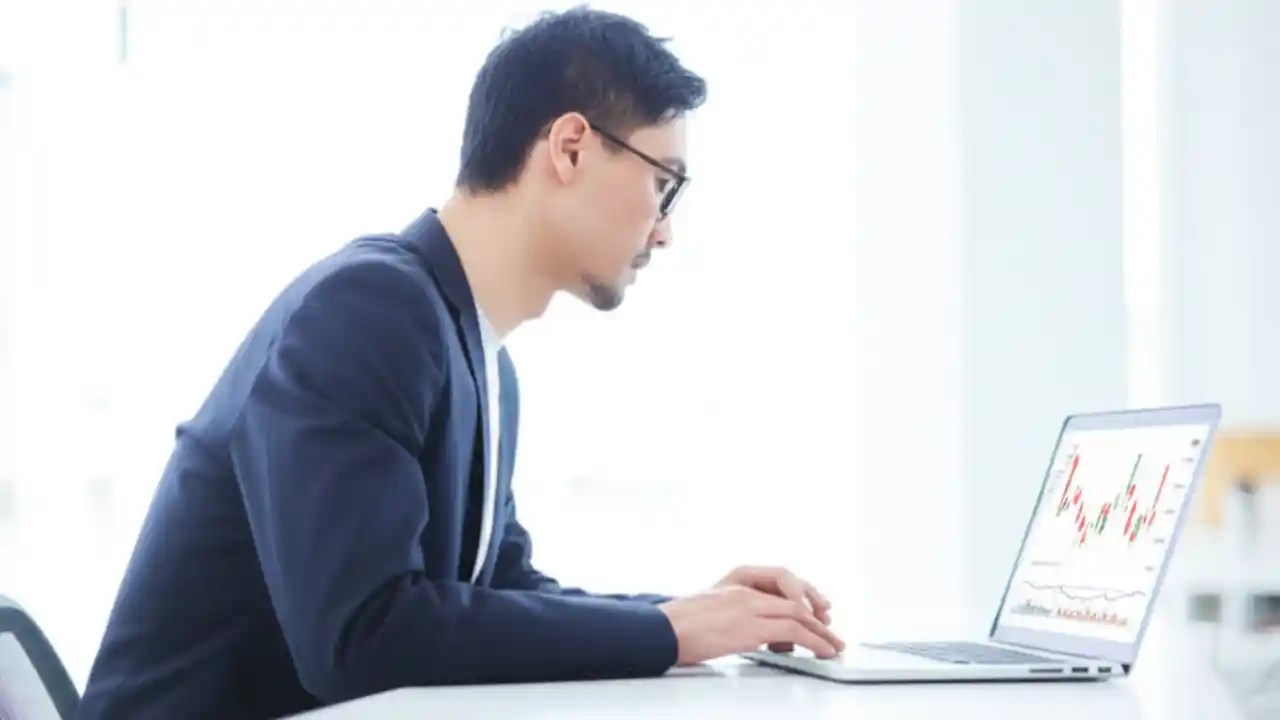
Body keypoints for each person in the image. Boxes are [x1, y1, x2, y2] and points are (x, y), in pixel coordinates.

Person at [79, 7, 844, 719]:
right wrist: (671, 632)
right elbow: (363, 637)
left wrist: (685, 614)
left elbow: (497, 594)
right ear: (570, 146)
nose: (665, 231)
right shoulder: (368, 311)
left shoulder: (473, 352)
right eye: (662, 184)